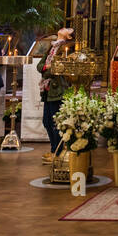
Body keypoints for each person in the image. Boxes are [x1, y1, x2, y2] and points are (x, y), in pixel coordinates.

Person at [38, 27, 75, 162]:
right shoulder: (52, 47)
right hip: (48, 89)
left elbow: (58, 68)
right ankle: (54, 149)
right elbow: (40, 66)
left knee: (55, 123)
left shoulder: (68, 48)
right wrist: (47, 68)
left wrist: (46, 69)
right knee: (47, 121)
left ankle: (58, 152)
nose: (64, 27)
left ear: (69, 37)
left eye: (68, 29)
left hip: (58, 89)